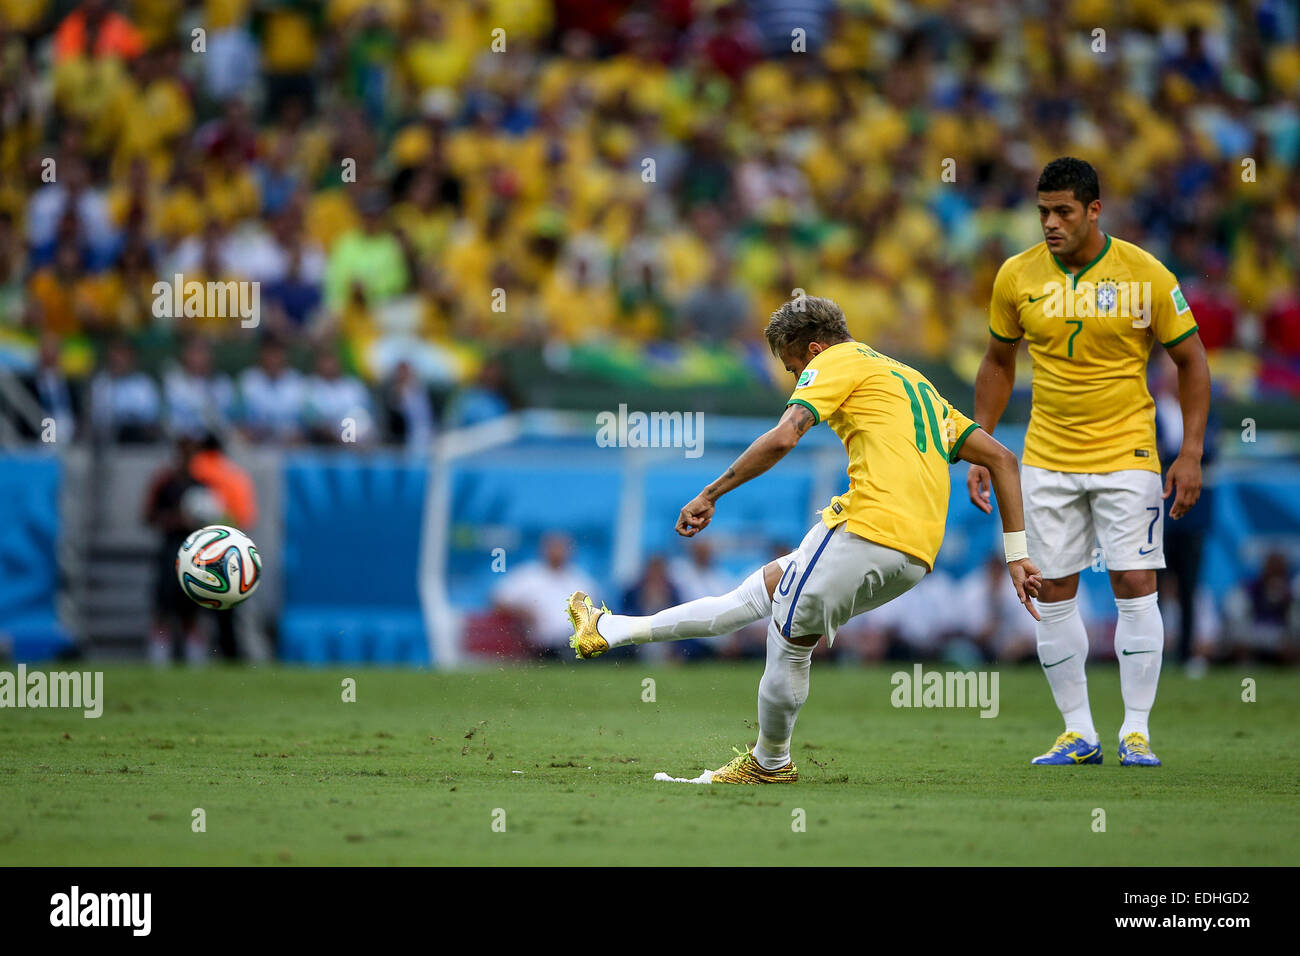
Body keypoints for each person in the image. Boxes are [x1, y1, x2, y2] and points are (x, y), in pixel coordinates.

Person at [566, 297, 1041, 783]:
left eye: (796, 369)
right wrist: (1018, 557)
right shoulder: (913, 381)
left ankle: (769, 762)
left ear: (814, 349)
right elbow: (1003, 459)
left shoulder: (835, 360)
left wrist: (711, 493)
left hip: (868, 531)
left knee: (789, 641)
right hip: (915, 556)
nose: (798, 381)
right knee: (748, 599)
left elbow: (784, 436)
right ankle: (607, 629)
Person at [967, 157, 1211, 767]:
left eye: (1063, 212)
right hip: (1046, 456)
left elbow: (1194, 362)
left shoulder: (1145, 274)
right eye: (1043, 212)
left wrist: (1190, 452)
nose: (1050, 223)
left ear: (1094, 210)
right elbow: (999, 362)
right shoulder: (1017, 276)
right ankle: (1079, 733)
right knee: (1051, 588)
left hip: (1128, 452)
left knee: (1135, 581)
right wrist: (981, 443)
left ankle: (1136, 731)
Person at [493, 532, 598, 659]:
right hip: (541, 645)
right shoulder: (527, 575)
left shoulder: (580, 580)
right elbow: (498, 600)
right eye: (554, 548)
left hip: (576, 642)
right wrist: (522, 612)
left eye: (561, 548)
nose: (558, 552)